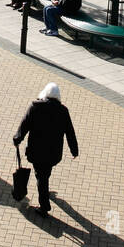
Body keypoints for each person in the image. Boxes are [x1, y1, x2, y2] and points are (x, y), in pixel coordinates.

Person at [14, 83, 79, 216]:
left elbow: (24, 124)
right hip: (53, 153)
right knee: (45, 173)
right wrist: (74, 150)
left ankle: (44, 207)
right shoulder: (63, 111)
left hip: (36, 151)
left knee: (41, 177)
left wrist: (17, 139)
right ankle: (45, 191)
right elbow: (70, 132)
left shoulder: (35, 107)